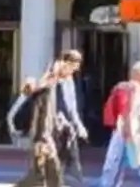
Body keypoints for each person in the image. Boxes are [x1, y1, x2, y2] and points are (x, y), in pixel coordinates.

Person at [11, 60, 72, 187]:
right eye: (66, 71)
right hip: (43, 139)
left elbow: (49, 115)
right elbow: (40, 117)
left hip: (44, 139)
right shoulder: (45, 92)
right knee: (46, 176)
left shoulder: (50, 90)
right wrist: (42, 140)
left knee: (45, 176)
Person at [99, 61, 140, 187]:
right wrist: (130, 134)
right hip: (129, 135)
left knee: (115, 170)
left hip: (125, 134)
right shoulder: (134, 89)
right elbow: (128, 111)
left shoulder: (127, 88)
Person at [55, 50, 87, 187]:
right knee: (60, 156)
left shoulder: (69, 80)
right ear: (67, 63)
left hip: (66, 126)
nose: (77, 68)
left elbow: (71, 106)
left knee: (68, 155)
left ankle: (67, 180)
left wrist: (78, 125)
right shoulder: (54, 79)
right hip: (55, 125)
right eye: (76, 64)